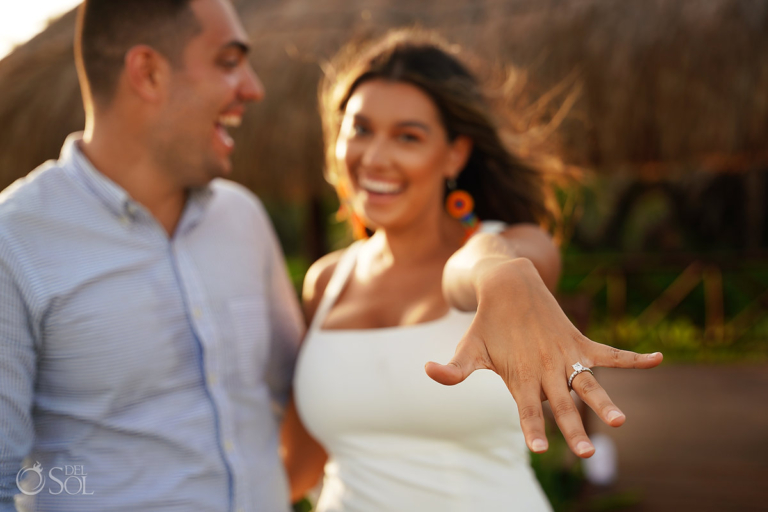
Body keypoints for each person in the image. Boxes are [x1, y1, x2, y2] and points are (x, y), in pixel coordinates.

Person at [281, 30, 663, 511]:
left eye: (407, 136)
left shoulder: (516, 248)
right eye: (359, 129)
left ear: (455, 154)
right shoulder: (326, 282)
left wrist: (499, 273)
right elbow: (298, 467)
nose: (374, 157)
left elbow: (478, 264)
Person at [0, 0, 304, 510]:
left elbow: (296, 397)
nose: (253, 88)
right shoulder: (14, 242)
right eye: (228, 62)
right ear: (148, 72)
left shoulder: (244, 217)